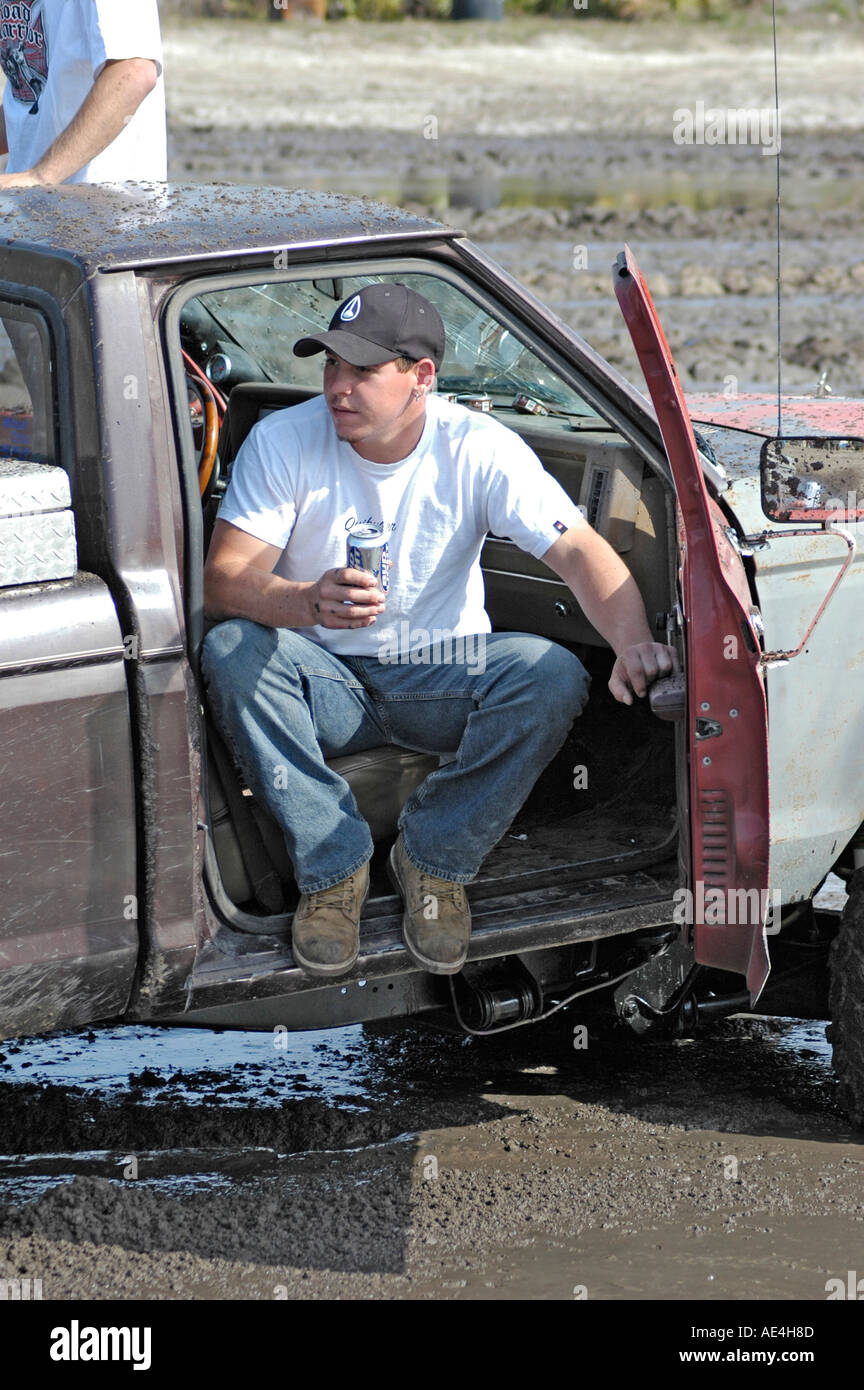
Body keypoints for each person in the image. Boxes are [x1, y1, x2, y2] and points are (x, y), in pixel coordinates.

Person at [201, 284, 676, 980]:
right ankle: (333, 871)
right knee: (231, 648)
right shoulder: (284, 440)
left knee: (549, 672)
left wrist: (633, 643)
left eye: (362, 371)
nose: (337, 387)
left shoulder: (478, 446)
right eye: (331, 365)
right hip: (321, 677)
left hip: (440, 674)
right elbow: (223, 582)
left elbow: (578, 550)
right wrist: (307, 602)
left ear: (421, 375)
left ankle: (433, 860)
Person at [0, 0, 166, 187]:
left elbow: (134, 72)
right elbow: (30, 105)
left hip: (104, 197)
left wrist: (40, 177)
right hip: (26, 196)